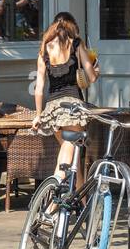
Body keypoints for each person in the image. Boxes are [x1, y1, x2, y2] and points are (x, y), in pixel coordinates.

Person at [32, 11, 101, 183]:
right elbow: (91, 77)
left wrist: (38, 115)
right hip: (72, 109)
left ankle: (83, 206)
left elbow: (39, 88)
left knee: (73, 158)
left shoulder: (44, 51)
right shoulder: (76, 45)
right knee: (65, 159)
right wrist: (96, 69)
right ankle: (52, 202)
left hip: (53, 109)